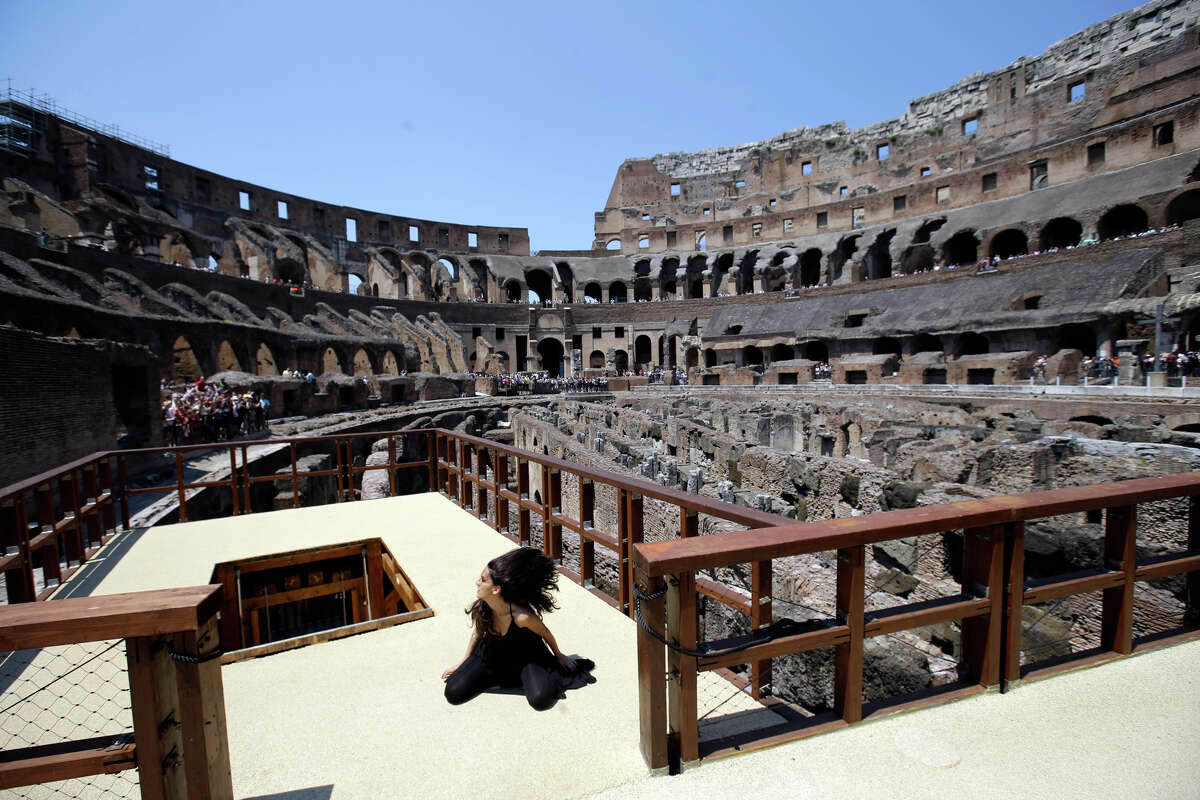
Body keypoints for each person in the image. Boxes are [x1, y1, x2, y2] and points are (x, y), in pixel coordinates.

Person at [442, 547, 593, 710]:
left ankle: (520, 679)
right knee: (453, 693)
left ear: (496, 589)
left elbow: (545, 633)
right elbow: (477, 632)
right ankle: (509, 678)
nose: (477, 583)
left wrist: (559, 655)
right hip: (493, 653)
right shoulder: (483, 606)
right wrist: (464, 661)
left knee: (541, 700)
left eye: (483, 580)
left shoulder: (522, 616)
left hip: (526, 657)